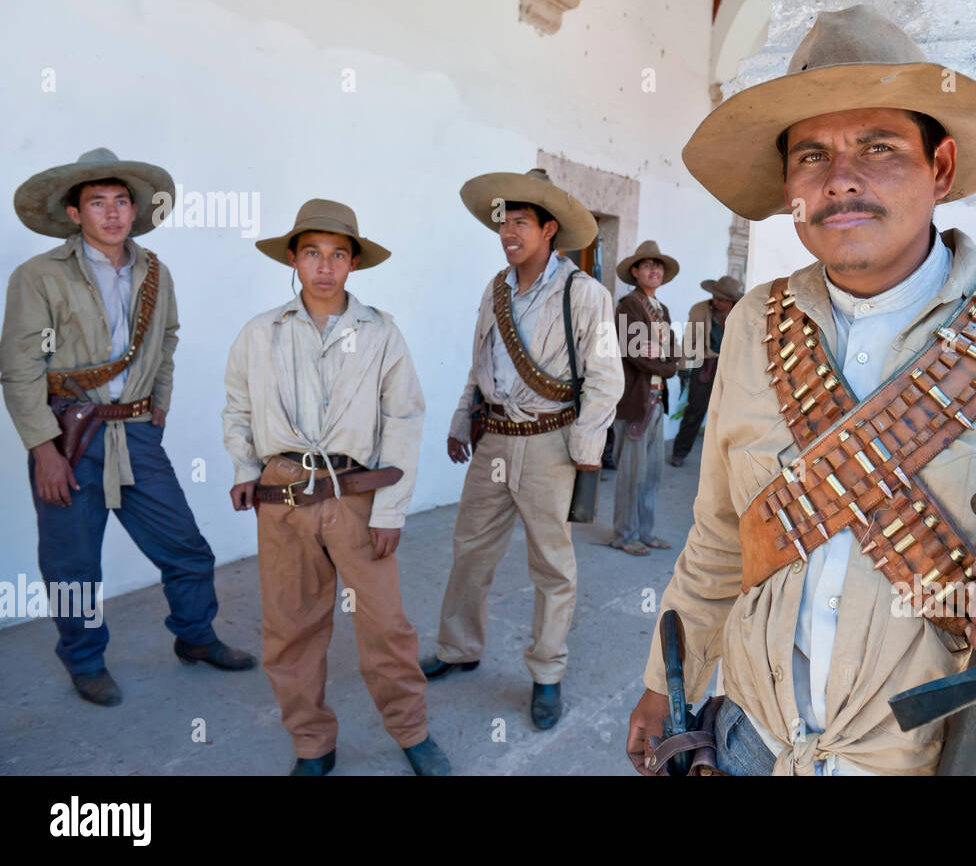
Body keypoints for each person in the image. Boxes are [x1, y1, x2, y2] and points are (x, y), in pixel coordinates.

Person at [624, 5, 976, 776]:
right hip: (748, 748)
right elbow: (721, 538)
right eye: (810, 156)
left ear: (943, 168)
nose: (841, 178)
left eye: (879, 146)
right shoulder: (758, 321)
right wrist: (665, 683)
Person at [1, 148, 255, 708]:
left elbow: (166, 340)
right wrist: (43, 450)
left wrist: (157, 405)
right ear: (74, 214)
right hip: (67, 437)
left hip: (135, 432)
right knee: (72, 565)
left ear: (135, 210)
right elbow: (18, 369)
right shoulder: (38, 276)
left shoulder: (155, 272)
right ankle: (85, 662)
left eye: (121, 202)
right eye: (98, 203)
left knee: (186, 548)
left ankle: (195, 638)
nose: (113, 213)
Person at [222, 198, 448, 776]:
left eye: (338, 254)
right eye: (313, 253)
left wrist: (391, 510)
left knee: (385, 625)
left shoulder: (380, 333)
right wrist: (247, 472)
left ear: (353, 264)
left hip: (356, 493)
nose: (325, 266)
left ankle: (411, 731)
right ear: (294, 260)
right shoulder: (260, 333)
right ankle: (312, 743)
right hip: (284, 493)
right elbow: (238, 408)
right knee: (291, 626)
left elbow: (404, 419)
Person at [423, 169, 623, 730]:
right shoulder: (495, 290)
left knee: (551, 565)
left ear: (549, 229)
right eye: (503, 223)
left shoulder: (588, 295)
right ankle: (459, 648)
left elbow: (607, 375)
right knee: (470, 551)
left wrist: (585, 446)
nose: (508, 233)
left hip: (548, 444)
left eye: (520, 223)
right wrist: (464, 419)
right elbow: (479, 361)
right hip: (494, 441)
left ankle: (546, 674)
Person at [610, 241, 681, 555]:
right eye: (647, 265)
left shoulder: (661, 309)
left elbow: (675, 350)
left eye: (659, 265)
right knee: (631, 474)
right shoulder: (628, 305)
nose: (655, 270)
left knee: (652, 473)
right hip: (636, 400)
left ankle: (645, 531)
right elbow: (635, 351)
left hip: (656, 399)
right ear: (635, 271)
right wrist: (667, 366)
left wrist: (667, 359)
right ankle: (624, 535)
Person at [669, 275, 741, 467]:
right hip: (705, 365)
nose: (716, 301)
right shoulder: (700, 309)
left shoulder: (741, 313)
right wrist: (683, 369)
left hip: (731, 368)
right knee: (694, 412)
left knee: (729, 416)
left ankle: (723, 461)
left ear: (731, 301)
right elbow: (688, 341)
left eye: (721, 299)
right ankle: (679, 452)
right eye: (714, 296)